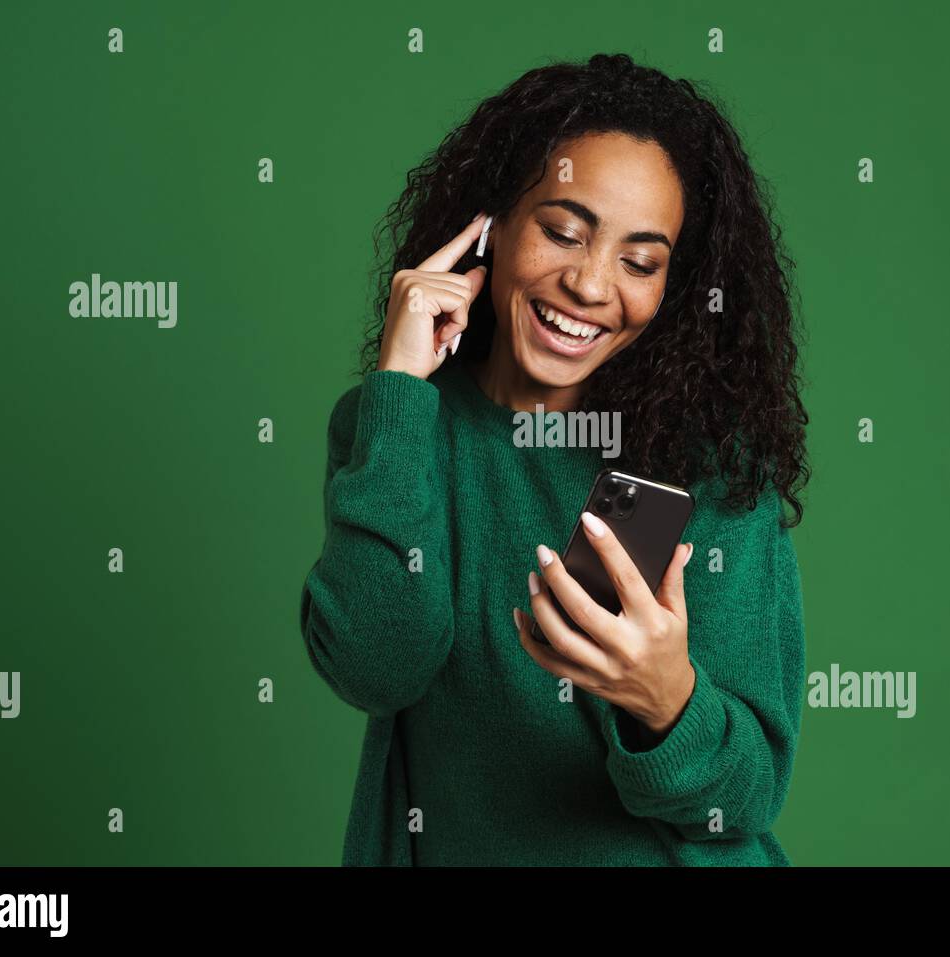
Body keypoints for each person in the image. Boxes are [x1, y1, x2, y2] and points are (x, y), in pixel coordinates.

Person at [299, 53, 810, 866]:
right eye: (563, 232)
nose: (590, 284)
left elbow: (743, 798)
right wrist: (398, 387)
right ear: (491, 224)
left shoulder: (701, 466)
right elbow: (375, 664)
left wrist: (666, 699)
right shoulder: (397, 428)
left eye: (640, 262)